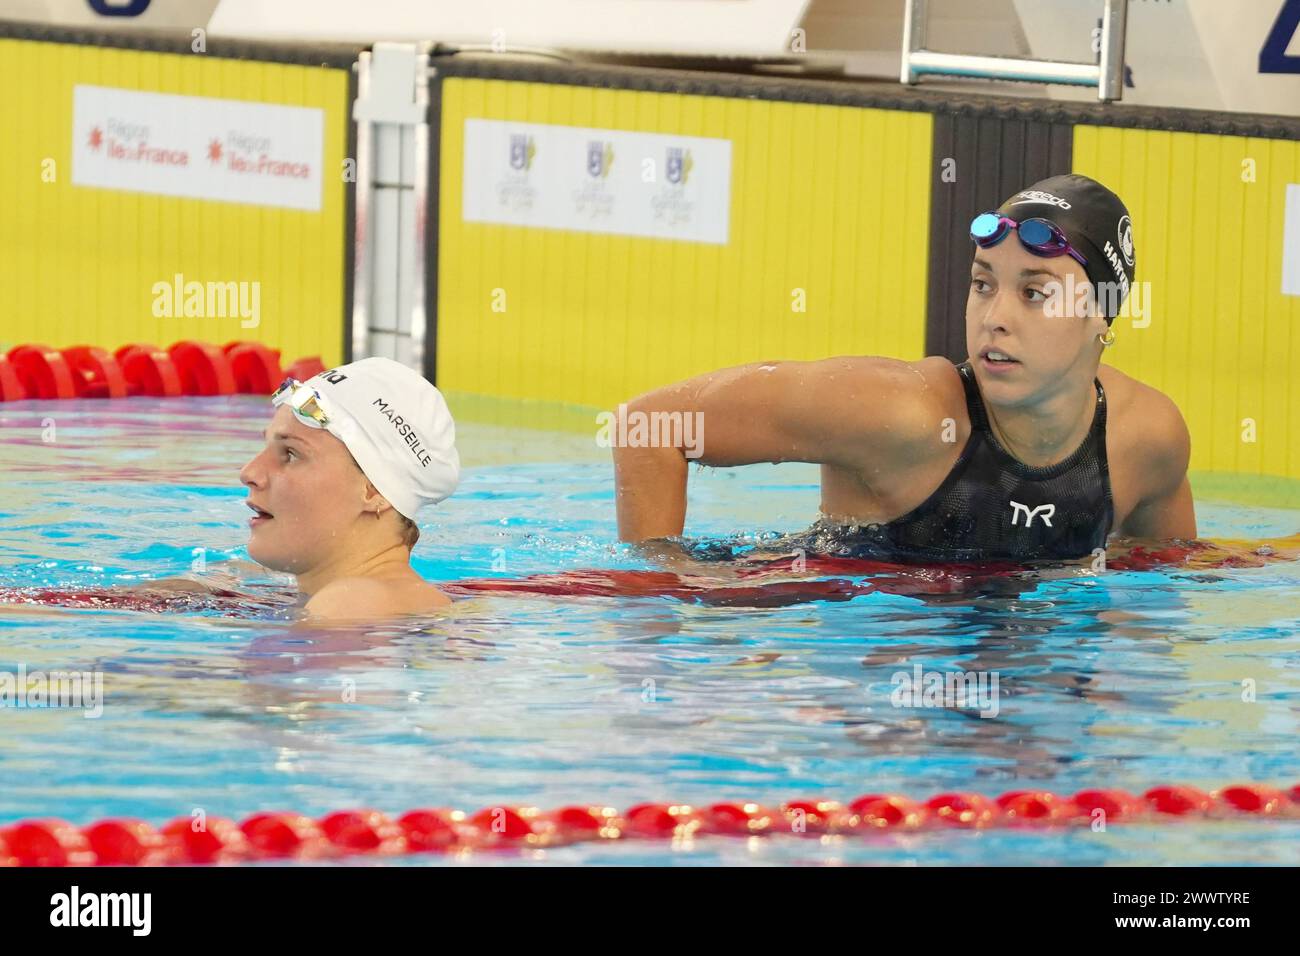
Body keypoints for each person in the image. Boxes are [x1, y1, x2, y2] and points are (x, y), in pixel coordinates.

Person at [613, 174, 1196, 562]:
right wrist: (667, 582)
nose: (994, 318)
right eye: (982, 283)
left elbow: (1164, 577)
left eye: (1034, 293)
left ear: (1104, 312)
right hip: (823, 637)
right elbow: (647, 424)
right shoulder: (901, 413)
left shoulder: (1144, 438)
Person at [239, 356, 461, 619]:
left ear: (373, 491)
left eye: (291, 453)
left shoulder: (355, 603)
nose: (249, 473)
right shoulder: (363, 597)